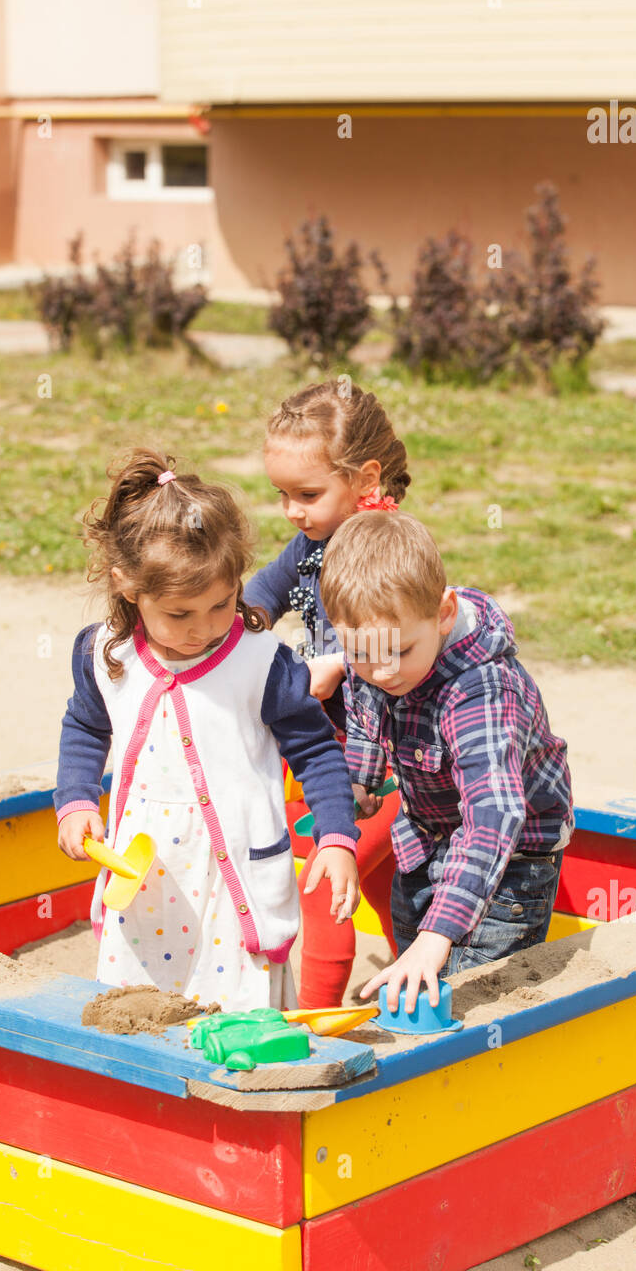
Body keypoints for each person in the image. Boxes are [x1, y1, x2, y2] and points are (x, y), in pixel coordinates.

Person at [54, 448, 360, 1011]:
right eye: (179, 614)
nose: (204, 629)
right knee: (139, 1014)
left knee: (238, 1021)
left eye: (222, 604)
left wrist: (336, 837)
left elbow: (317, 751)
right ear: (127, 585)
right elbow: (83, 725)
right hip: (145, 883)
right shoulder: (106, 654)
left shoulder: (260, 663)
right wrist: (75, 800)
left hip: (231, 888)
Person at [319, 509, 575, 1017]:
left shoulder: (480, 688)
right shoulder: (378, 654)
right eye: (360, 655)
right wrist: (357, 787)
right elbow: (368, 715)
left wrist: (438, 936)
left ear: (443, 612)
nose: (382, 671)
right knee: (416, 985)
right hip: (425, 840)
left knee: (472, 1004)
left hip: (510, 868)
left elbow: (494, 816)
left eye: (400, 651)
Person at [243, 380, 409, 1007]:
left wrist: (335, 660)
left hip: (389, 756)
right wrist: (232, 633)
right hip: (336, 750)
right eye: (281, 495)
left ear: (366, 478)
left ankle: (312, 1019)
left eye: (308, 495)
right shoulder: (311, 545)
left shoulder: (388, 549)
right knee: (386, 878)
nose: (292, 509)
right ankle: (416, 972)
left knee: (324, 877)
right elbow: (260, 594)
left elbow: (400, 640)